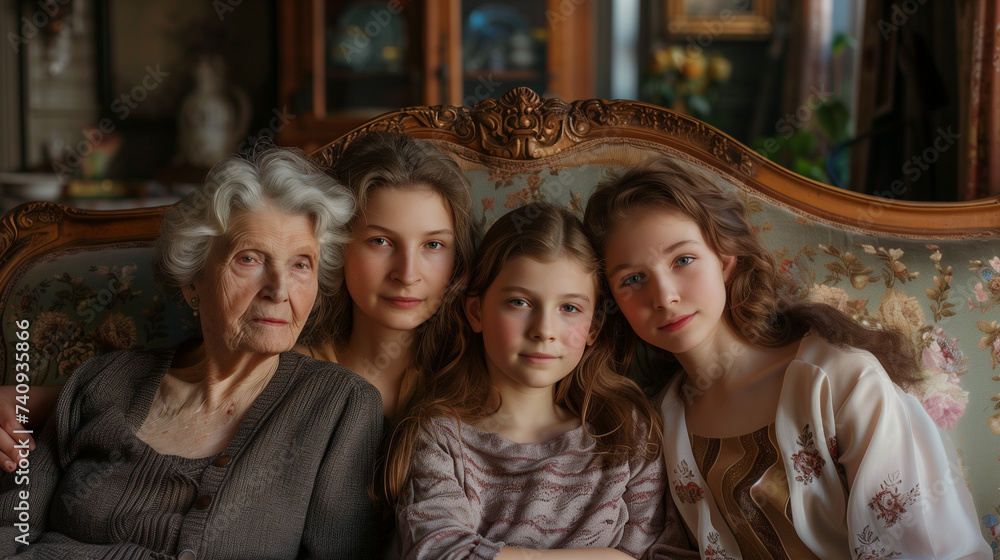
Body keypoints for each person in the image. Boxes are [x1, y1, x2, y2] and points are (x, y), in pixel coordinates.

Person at [583, 156, 990, 559]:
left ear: (726, 261)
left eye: (683, 260)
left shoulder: (838, 381)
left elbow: (924, 547)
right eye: (633, 279)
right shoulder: (662, 419)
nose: (664, 296)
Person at [0, 131, 479, 470]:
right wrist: (13, 402)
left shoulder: (479, 368)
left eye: (434, 245)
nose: (409, 274)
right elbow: (129, 395)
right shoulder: (271, 349)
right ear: (334, 248)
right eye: (380, 241)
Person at [0, 146, 385, 558]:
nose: (279, 289)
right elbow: (11, 529)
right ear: (192, 281)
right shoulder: (100, 382)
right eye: (250, 258)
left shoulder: (338, 408)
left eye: (300, 264)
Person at [384, 203, 696, 560]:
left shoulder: (628, 431)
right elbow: (438, 553)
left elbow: (664, 553)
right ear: (476, 312)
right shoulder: (441, 438)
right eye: (519, 302)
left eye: (570, 309)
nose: (544, 331)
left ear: (594, 327)